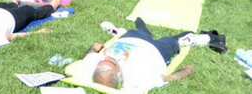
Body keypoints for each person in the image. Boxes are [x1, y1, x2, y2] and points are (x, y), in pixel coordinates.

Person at [79, 18, 215, 91]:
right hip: (156, 50)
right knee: (173, 41)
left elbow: (96, 47)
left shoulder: (91, 66)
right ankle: (187, 40)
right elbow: (168, 78)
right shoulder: (137, 81)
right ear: (119, 75)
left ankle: (121, 30)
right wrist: (187, 71)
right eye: (112, 62)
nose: (108, 58)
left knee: (142, 32)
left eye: (104, 60)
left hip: (129, 39)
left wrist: (94, 49)